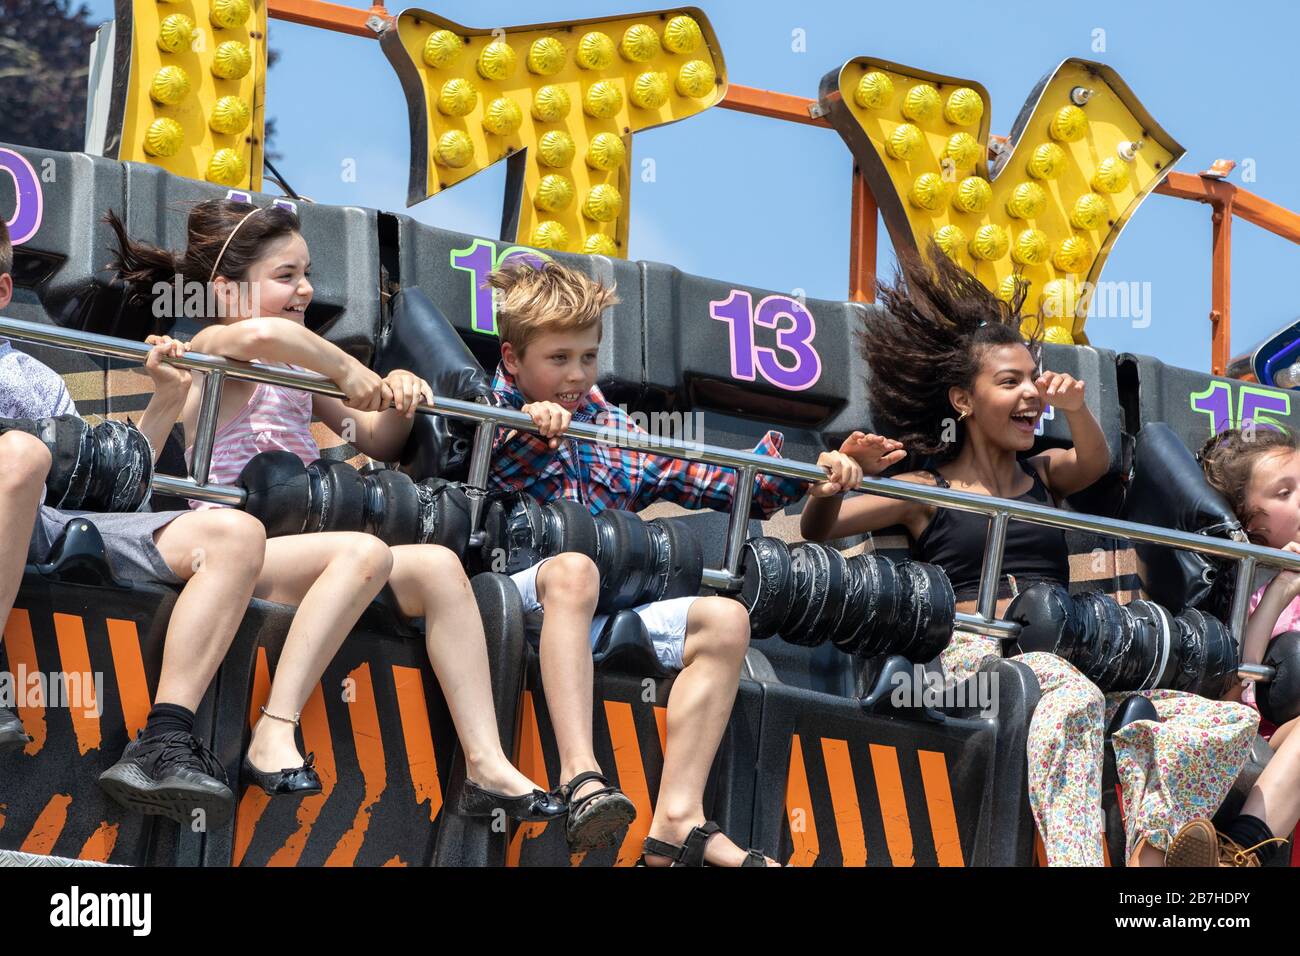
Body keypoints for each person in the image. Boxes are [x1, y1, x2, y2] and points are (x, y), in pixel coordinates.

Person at [799, 244, 1259, 866]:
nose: (1028, 396)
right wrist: (834, 480)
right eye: (1008, 383)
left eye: (1032, 382)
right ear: (963, 401)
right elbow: (819, 531)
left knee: (1218, 722)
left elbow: (1094, 462)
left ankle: (1155, 853)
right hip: (968, 656)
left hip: (1064, 650)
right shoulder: (928, 490)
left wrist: (1074, 408)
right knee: (1072, 698)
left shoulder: (1043, 474)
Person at [104, 200, 561, 823]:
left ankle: (485, 762)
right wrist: (347, 365)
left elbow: (374, 438)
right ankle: (274, 730)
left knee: (437, 568)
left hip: (308, 545)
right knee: (363, 550)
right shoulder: (213, 347)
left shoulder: (300, 370)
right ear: (226, 291)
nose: (307, 289)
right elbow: (267, 335)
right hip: (238, 550)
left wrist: (399, 394)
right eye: (286, 275)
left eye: (308, 272)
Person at [486, 260, 862, 865]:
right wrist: (527, 427)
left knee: (726, 620)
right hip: (511, 602)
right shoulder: (488, 408)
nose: (577, 375)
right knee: (575, 570)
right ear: (512, 359)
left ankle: (676, 822)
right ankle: (582, 778)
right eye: (558, 359)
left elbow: (721, 481)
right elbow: (464, 461)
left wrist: (812, 476)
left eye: (588, 356)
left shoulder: (612, 427)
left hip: (598, 619)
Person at [0, 216, 265, 828]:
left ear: (5, 293)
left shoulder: (33, 380)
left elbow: (96, 503)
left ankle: (162, 741)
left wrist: (167, 400)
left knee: (236, 532)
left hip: (39, 524)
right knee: (22, 452)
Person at [1186, 425, 1300, 865]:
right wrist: (1279, 594)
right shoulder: (1252, 595)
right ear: (1251, 524)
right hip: (1276, 731)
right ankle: (1240, 853)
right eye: (1284, 492)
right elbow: (1242, 689)